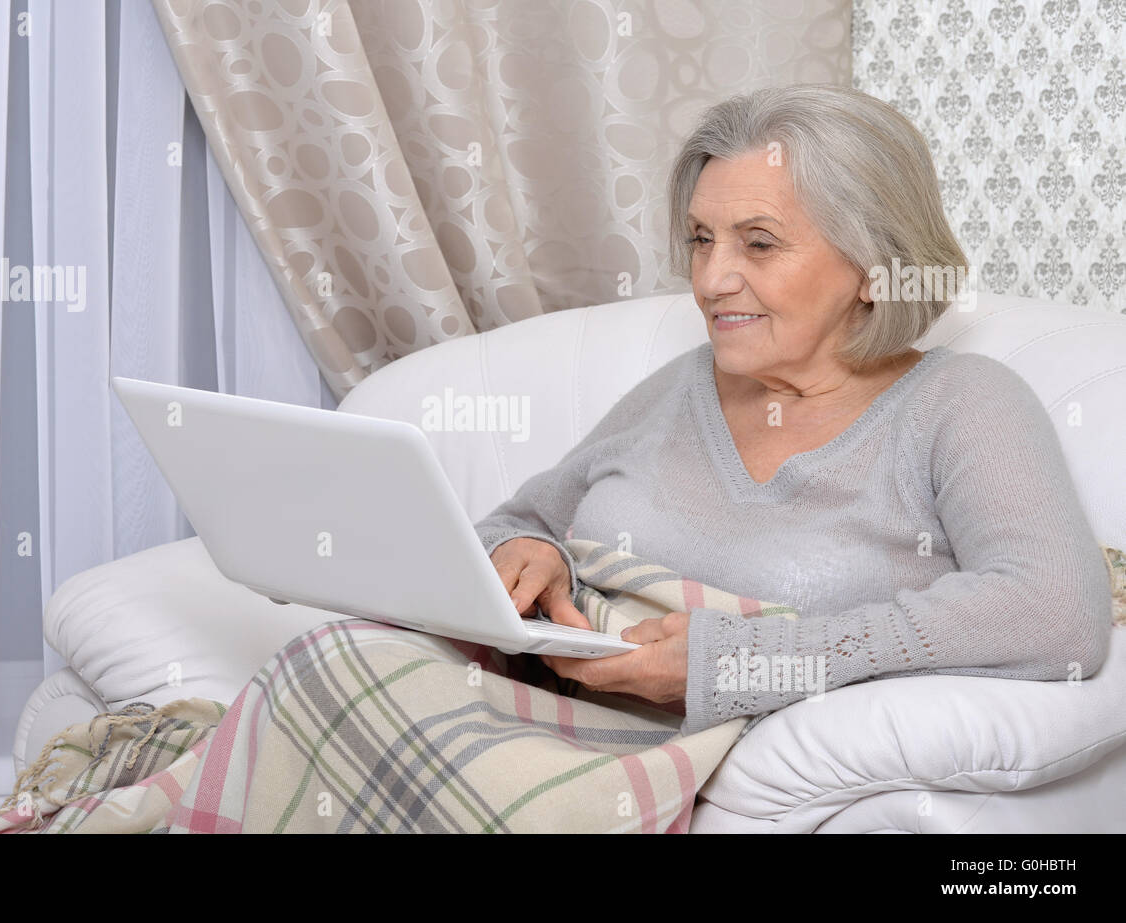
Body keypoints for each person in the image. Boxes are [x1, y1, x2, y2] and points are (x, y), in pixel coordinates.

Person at [473, 84, 1113, 736]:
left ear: (874, 265)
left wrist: (748, 663)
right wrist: (529, 551)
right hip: (527, 721)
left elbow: (1059, 611)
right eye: (701, 238)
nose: (711, 279)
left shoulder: (962, 401)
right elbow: (513, 524)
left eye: (759, 243)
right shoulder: (687, 384)